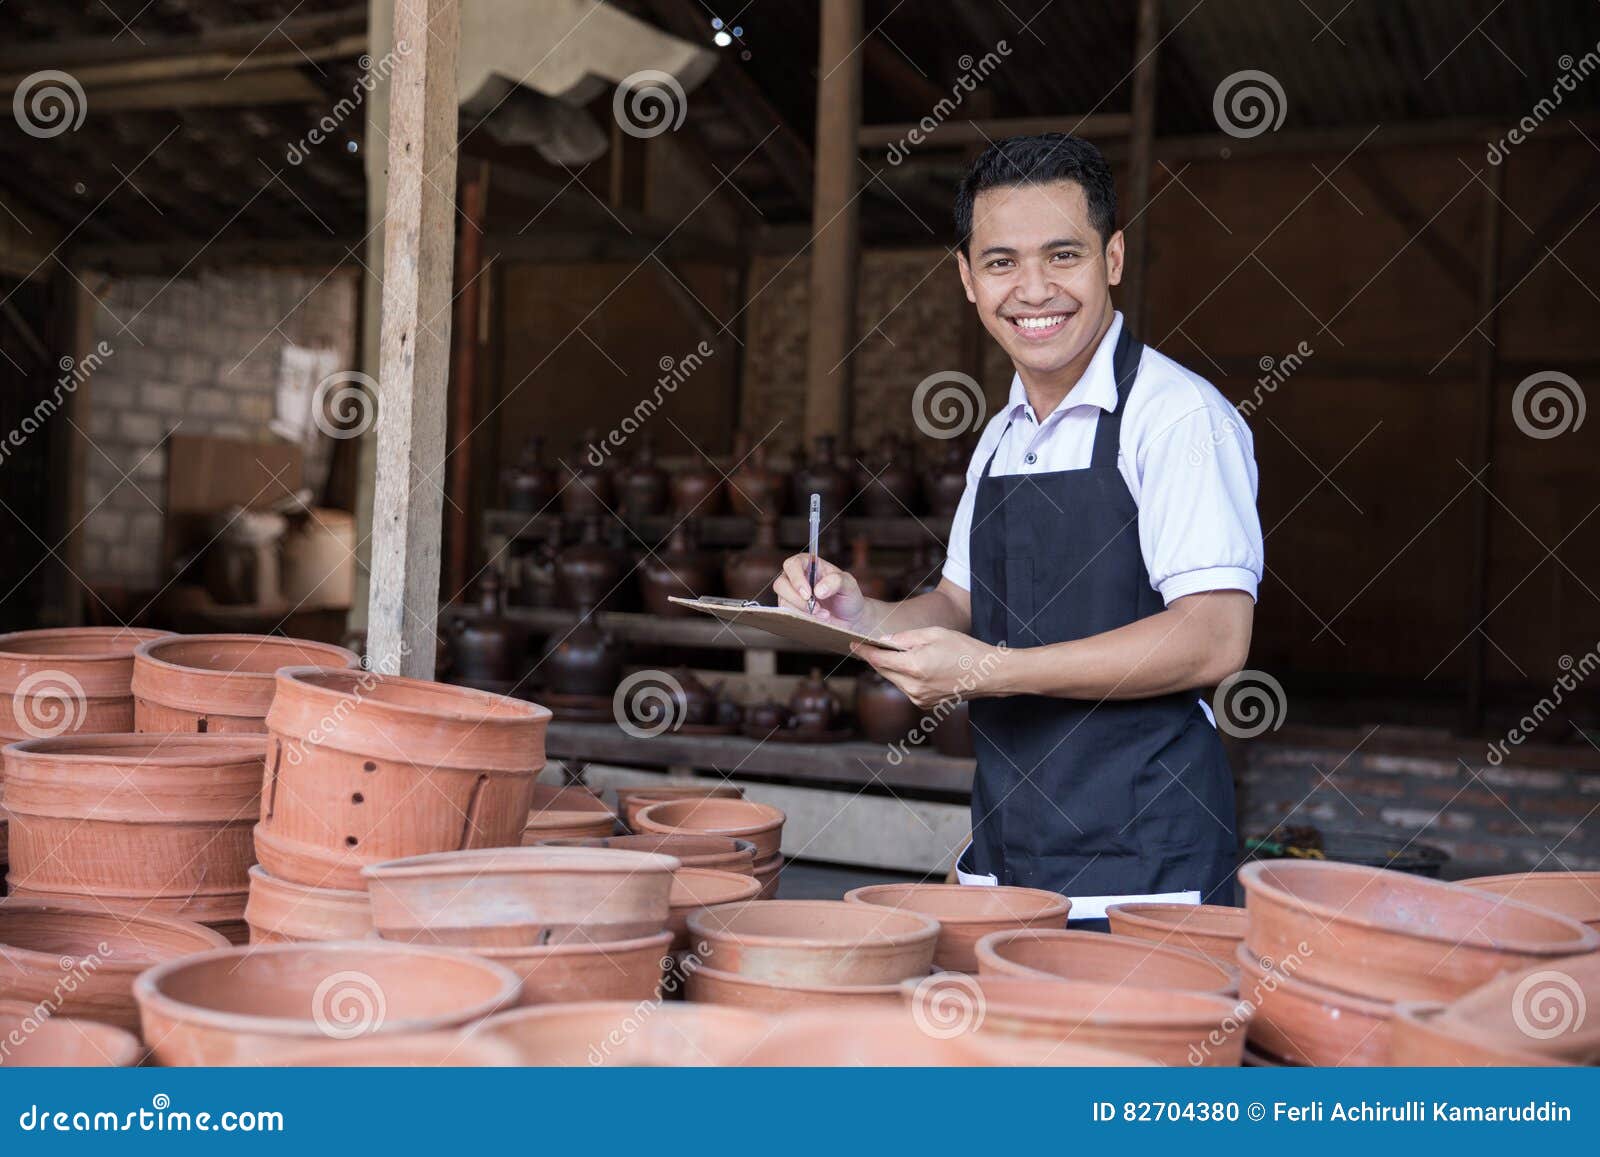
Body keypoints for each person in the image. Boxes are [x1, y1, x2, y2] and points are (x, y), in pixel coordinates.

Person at [773, 134, 1263, 917]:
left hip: (1146, 865)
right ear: (968, 278)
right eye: (1001, 262)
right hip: (1011, 849)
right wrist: (854, 613)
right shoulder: (1003, 436)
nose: (1033, 289)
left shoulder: (1176, 419)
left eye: (1062, 255)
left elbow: (1214, 637)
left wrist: (989, 672)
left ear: (1113, 258)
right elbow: (957, 604)